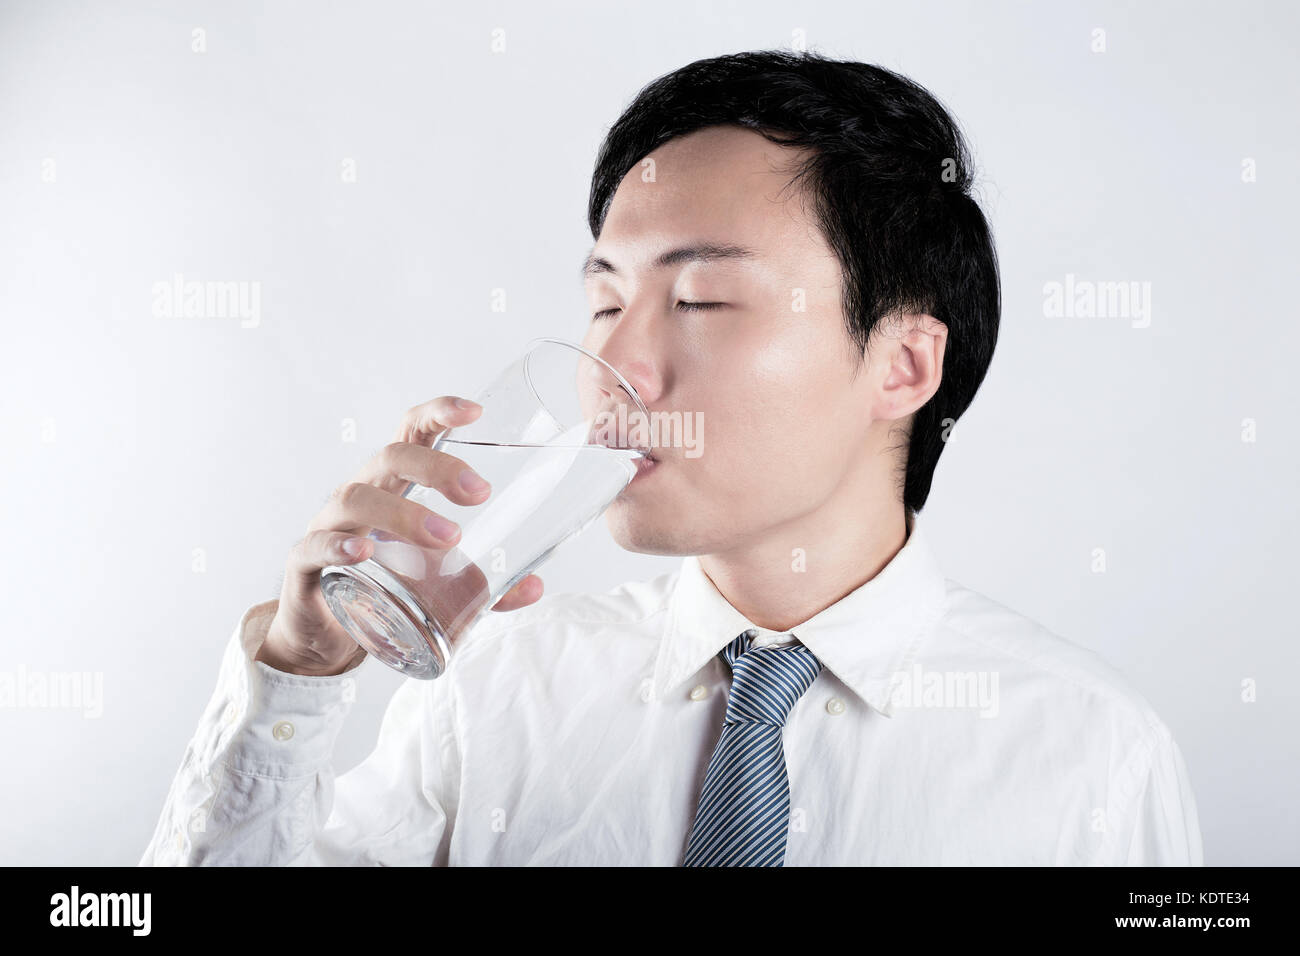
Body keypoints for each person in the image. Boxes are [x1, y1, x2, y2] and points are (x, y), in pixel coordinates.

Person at [140, 50, 1202, 866]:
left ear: (903, 364)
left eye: (699, 299)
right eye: (604, 298)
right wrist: (297, 675)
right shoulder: (494, 691)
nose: (614, 359)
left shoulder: (1088, 748)